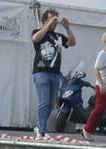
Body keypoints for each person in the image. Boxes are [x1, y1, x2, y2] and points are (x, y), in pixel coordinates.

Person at [30, 9, 75, 138]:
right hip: (41, 72)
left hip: (55, 74)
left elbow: (72, 43)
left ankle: (39, 126)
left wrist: (67, 28)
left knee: (50, 104)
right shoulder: (38, 32)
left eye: (55, 20)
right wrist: (48, 26)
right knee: (43, 102)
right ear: (45, 20)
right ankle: (42, 130)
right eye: (51, 19)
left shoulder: (59, 36)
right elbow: (35, 39)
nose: (54, 22)